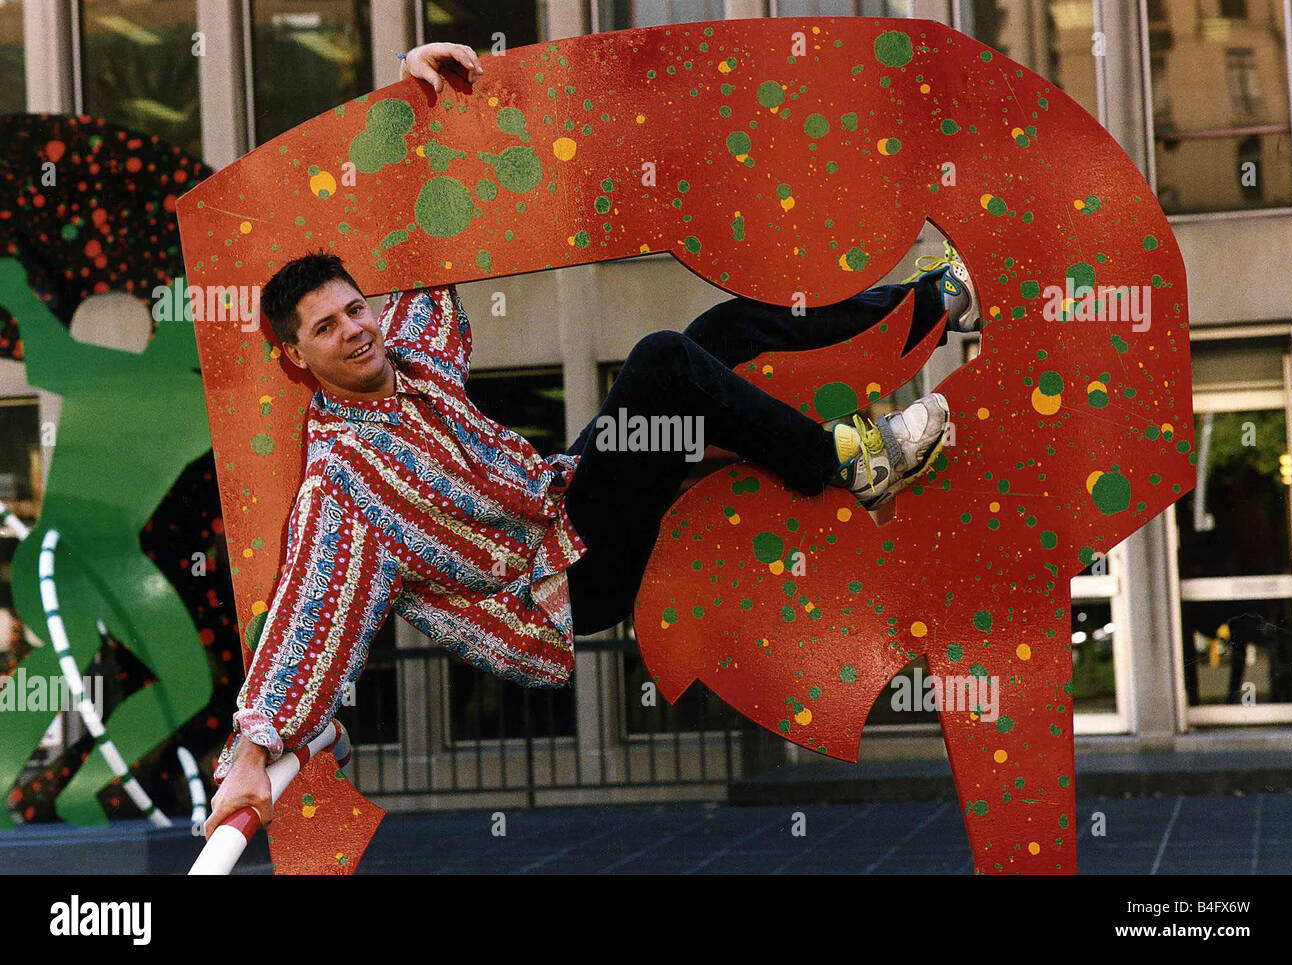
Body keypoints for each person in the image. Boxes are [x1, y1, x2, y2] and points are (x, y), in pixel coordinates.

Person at [204, 42, 982, 837]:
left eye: (355, 310)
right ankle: (852, 464)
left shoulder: (411, 351)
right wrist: (252, 744)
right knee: (661, 360)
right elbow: (309, 603)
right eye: (328, 329)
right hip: (567, 584)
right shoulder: (342, 482)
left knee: (723, 328)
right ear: (298, 358)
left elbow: (420, 236)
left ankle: (934, 301)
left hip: (570, 498)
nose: (355, 332)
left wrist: (419, 103)